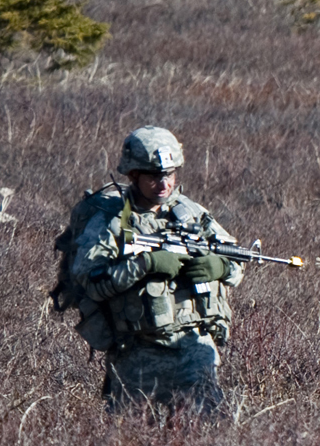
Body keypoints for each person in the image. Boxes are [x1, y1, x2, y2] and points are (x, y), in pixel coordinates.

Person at [67, 126, 243, 414]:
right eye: (153, 176)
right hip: (138, 351)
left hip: (195, 347)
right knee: (128, 440)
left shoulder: (192, 214)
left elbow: (236, 262)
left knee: (211, 432)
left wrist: (221, 266)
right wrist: (145, 265)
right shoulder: (112, 221)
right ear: (133, 175)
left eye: (169, 175)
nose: (163, 184)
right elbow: (90, 278)